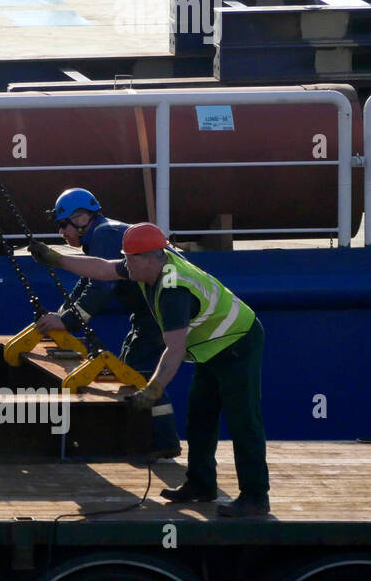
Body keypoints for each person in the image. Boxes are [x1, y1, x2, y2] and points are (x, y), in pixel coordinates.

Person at [29, 223, 270, 517]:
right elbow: (103, 268)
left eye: (130, 259)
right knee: (200, 417)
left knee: (243, 419)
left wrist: (151, 391)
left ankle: (256, 497)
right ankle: (201, 484)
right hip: (213, 345)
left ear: (150, 258)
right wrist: (57, 259)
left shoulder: (173, 292)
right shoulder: (148, 266)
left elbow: (174, 351)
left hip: (237, 344)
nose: (126, 266)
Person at [35, 188, 180, 457]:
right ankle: (145, 438)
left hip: (161, 310)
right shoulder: (104, 234)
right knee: (128, 368)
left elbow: (101, 288)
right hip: (152, 311)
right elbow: (88, 280)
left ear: (80, 219)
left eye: (62, 226)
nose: (62, 234)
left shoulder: (103, 234)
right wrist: (60, 315)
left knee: (139, 370)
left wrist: (65, 322)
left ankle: (164, 441)